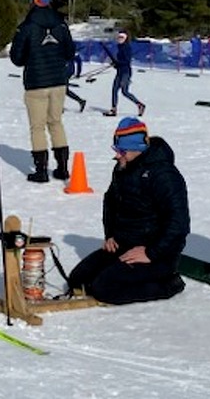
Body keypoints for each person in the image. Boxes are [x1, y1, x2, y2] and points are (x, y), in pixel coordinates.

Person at [66, 117, 189, 305]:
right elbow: (110, 202)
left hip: (157, 254)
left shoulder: (164, 175)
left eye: (121, 151)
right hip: (124, 244)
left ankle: (169, 284)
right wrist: (110, 235)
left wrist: (151, 253)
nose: (117, 156)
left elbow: (179, 223)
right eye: (116, 150)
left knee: (104, 288)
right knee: (78, 279)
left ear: (138, 149)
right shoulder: (123, 167)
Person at [9, 0, 77, 183]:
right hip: (58, 81)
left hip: (36, 83)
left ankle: (41, 170)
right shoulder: (61, 24)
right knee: (56, 122)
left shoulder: (27, 26)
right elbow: (69, 52)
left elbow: (17, 57)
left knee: (37, 127)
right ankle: (63, 168)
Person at [102, 29, 145, 117]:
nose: (120, 39)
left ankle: (140, 105)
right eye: (119, 37)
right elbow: (120, 61)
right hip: (120, 71)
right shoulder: (120, 47)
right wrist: (115, 64)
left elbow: (126, 61)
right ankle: (113, 109)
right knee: (114, 90)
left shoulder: (126, 48)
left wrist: (117, 63)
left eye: (122, 37)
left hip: (126, 72)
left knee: (124, 91)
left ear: (125, 38)